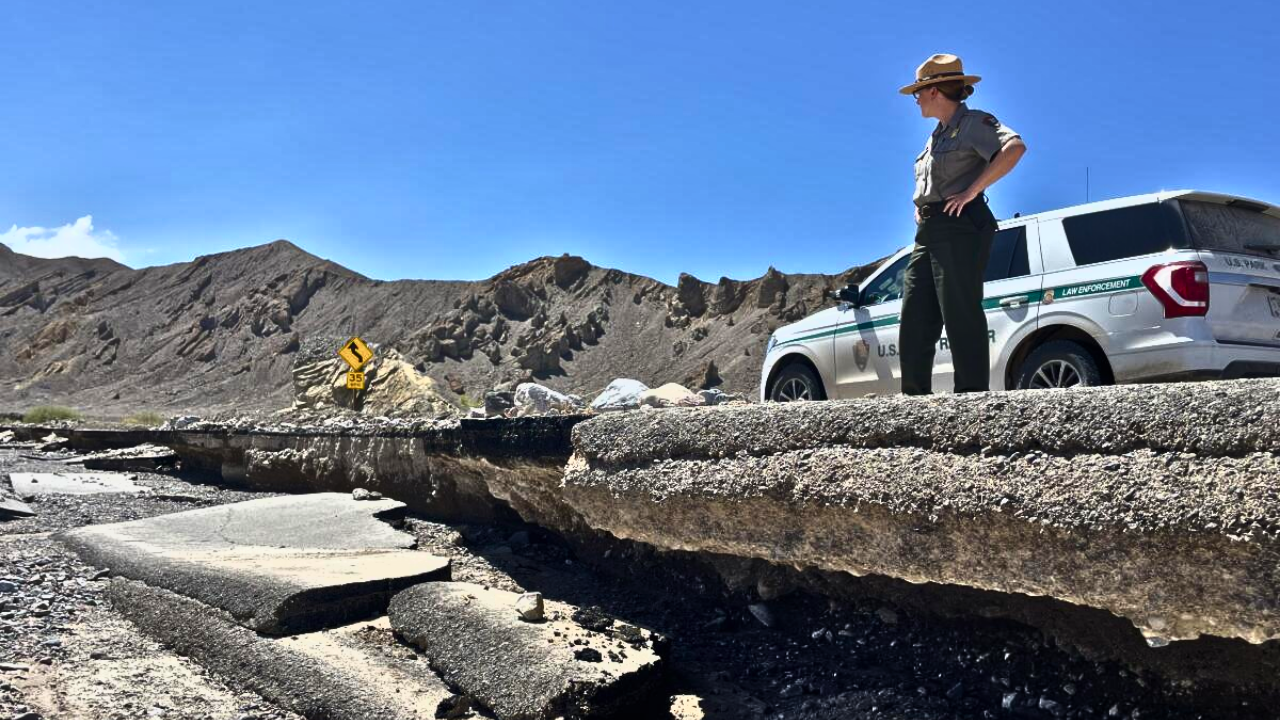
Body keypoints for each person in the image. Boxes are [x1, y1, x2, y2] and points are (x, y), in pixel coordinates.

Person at [898, 53, 1026, 395]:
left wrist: (973, 190)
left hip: (960, 227)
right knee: (914, 316)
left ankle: (970, 400)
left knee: (960, 313)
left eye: (919, 93)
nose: (917, 100)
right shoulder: (935, 136)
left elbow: (1013, 148)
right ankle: (913, 403)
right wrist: (922, 206)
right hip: (928, 231)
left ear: (935, 91)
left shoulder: (973, 124)